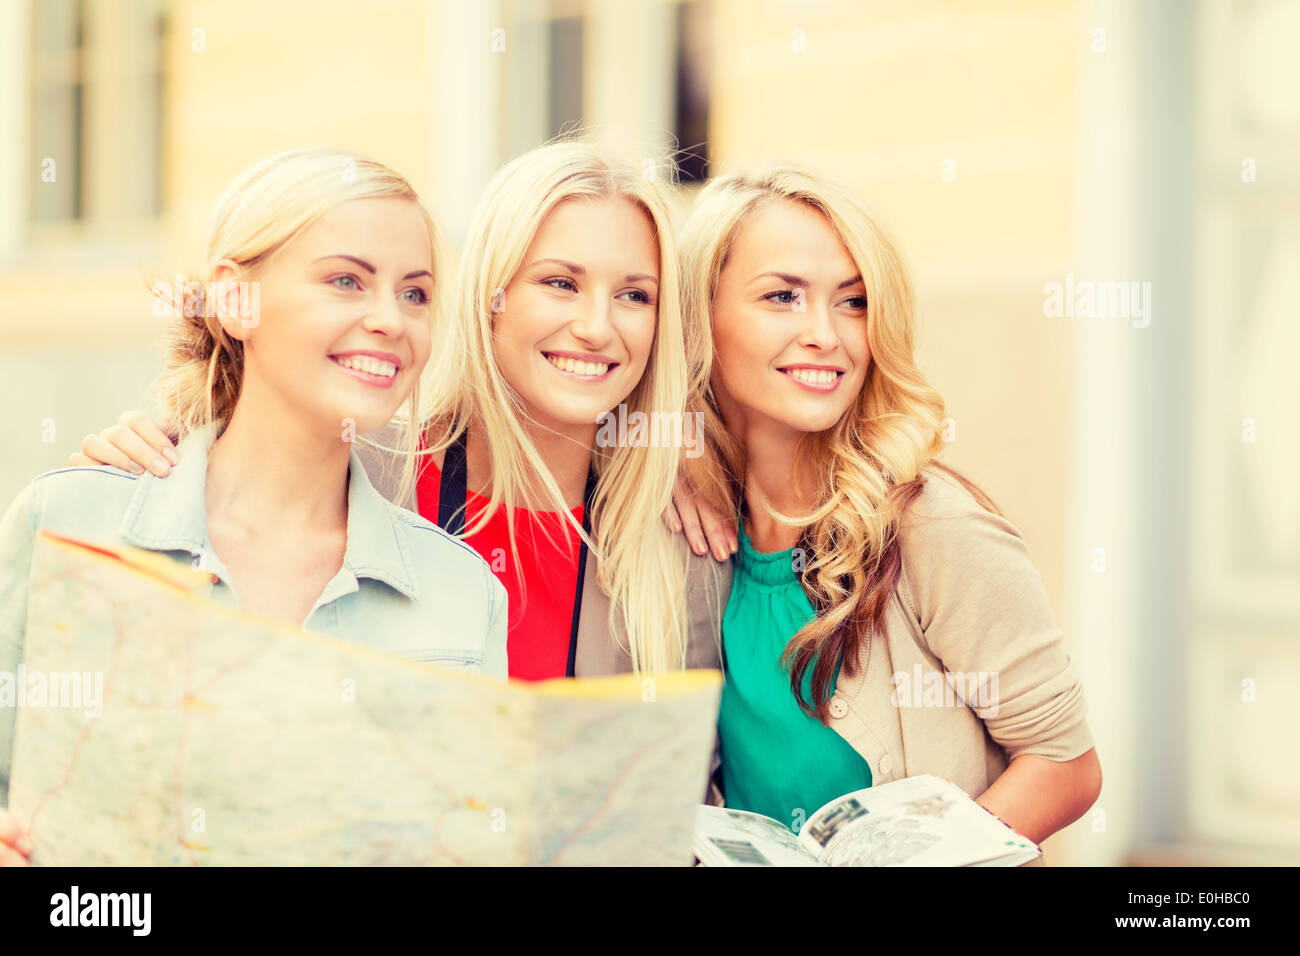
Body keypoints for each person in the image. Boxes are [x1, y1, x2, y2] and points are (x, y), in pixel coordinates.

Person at [0, 146, 507, 865]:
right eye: (346, 280)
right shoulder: (66, 523)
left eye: (415, 293)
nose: (391, 320)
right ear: (237, 300)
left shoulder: (466, 595)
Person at [68, 139, 729, 681]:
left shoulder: (683, 546)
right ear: (485, 298)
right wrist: (153, 459)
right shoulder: (358, 472)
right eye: (560, 283)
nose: (595, 326)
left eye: (636, 296)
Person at [671, 164, 1102, 846]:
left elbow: (1066, 766)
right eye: (782, 296)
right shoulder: (693, 524)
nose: (825, 334)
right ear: (700, 316)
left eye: (854, 301)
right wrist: (665, 463)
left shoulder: (935, 528)